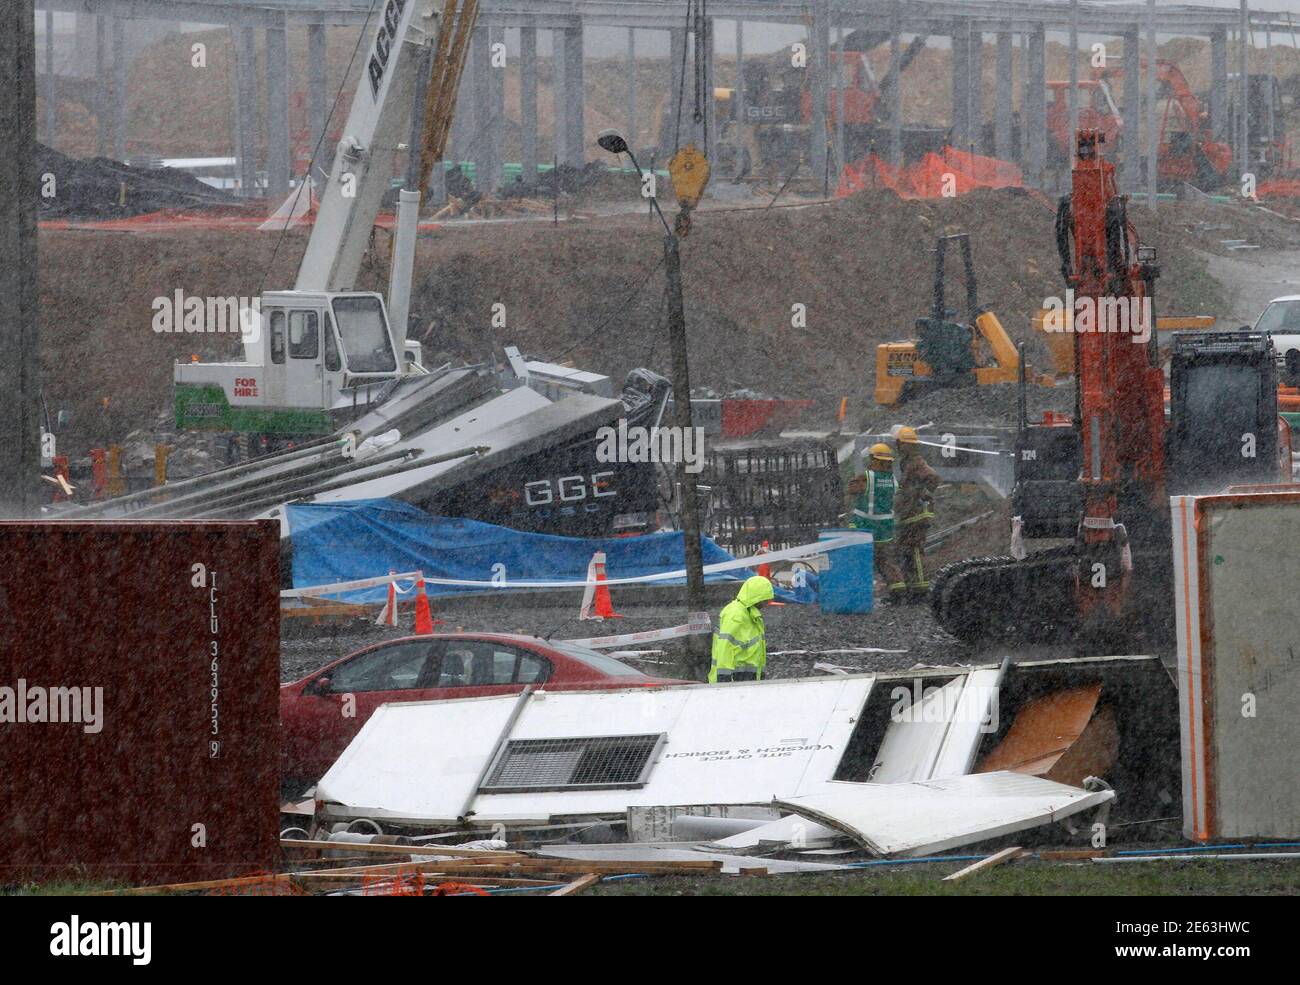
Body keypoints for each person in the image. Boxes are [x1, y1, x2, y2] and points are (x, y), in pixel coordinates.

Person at [848, 443, 907, 603]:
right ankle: (898, 590)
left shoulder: (866, 477)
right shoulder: (892, 479)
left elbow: (851, 489)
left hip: (865, 527)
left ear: (875, 459)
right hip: (885, 529)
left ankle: (858, 594)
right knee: (886, 561)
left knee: (860, 560)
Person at [893, 426, 941, 603]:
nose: (898, 447)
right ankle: (913, 586)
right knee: (907, 550)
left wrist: (922, 494)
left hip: (917, 513)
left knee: (914, 550)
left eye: (900, 443)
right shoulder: (908, 462)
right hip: (911, 513)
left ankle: (921, 590)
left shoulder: (916, 462)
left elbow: (933, 477)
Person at [709, 575, 774, 683]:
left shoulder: (751, 615)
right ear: (757, 598)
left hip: (743, 679)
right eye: (765, 600)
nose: (766, 604)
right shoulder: (736, 615)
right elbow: (725, 648)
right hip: (735, 679)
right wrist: (724, 679)